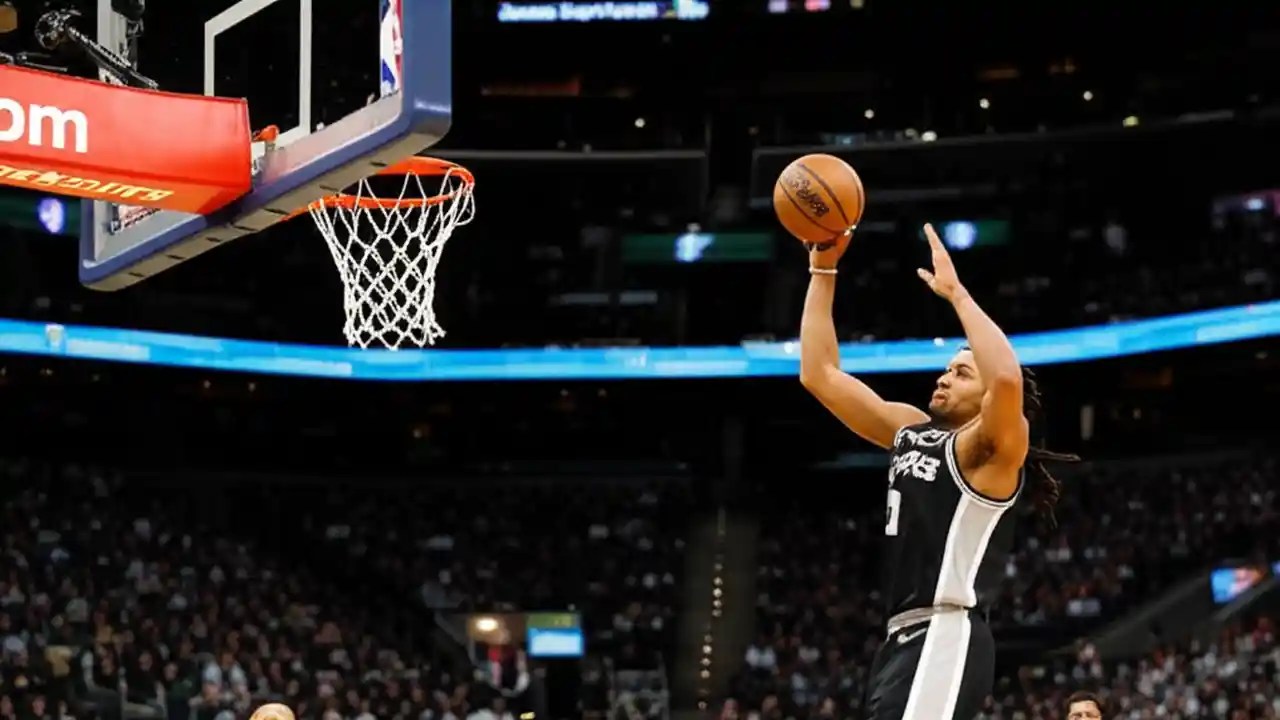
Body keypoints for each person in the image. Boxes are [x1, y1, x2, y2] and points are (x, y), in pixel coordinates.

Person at [798, 224, 1078, 720]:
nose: (945, 375)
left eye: (962, 372)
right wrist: (824, 265)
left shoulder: (989, 454)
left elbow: (1008, 378)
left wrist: (958, 295)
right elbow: (819, 373)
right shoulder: (910, 429)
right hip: (899, 640)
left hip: (948, 630)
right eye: (948, 368)